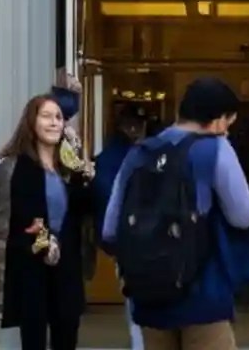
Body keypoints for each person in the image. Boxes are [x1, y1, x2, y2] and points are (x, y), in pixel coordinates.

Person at [102, 77, 249, 350]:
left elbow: (110, 230)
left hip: (148, 294)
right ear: (219, 119)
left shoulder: (138, 153)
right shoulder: (216, 149)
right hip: (204, 294)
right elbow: (242, 216)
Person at [0, 92, 95, 350]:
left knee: (67, 334)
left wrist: (85, 172)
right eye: (46, 116)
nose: (54, 123)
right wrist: (37, 239)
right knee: (33, 338)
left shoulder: (68, 169)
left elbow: (85, 211)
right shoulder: (11, 166)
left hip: (66, 265)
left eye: (59, 118)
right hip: (29, 265)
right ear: (31, 122)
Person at [92, 103, 150, 350]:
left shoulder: (148, 152)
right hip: (131, 238)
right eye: (130, 124)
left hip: (143, 236)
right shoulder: (113, 157)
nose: (135, 129)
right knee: (137, 300)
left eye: (139, 124)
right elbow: (107, 196)